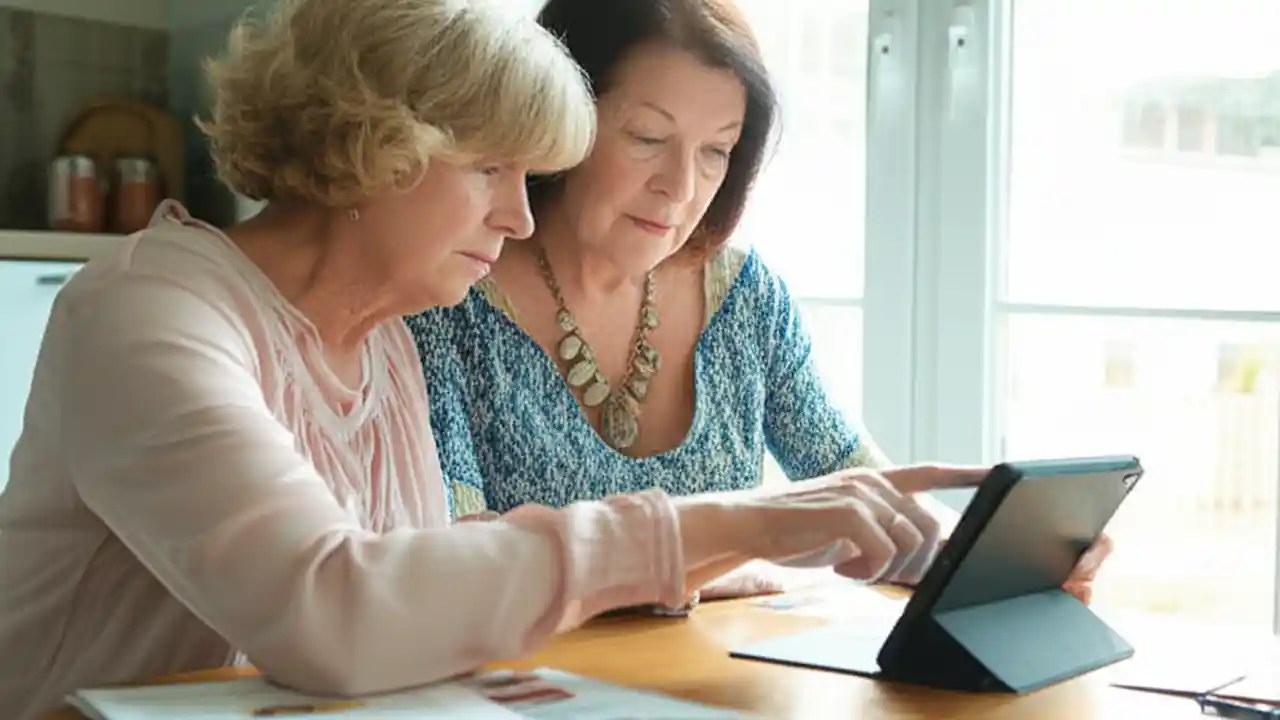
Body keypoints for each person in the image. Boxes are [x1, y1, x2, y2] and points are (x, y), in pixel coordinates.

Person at [0, 1, 951, 717]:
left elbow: (421, 589)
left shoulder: (382, 342)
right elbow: (332, 610)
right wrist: (709, 528)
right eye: (492, 169)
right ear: (371, 146)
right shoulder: (149, 312)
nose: (521, 215)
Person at [406, 0, 1112, 602]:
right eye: (649, 138)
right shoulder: (451, 294)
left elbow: (856, 487)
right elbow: (458, 560)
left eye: (717, 151)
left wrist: (1001, 564)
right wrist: (724, 550)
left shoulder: (744, 298)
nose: (681, 186)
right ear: (559, 117)